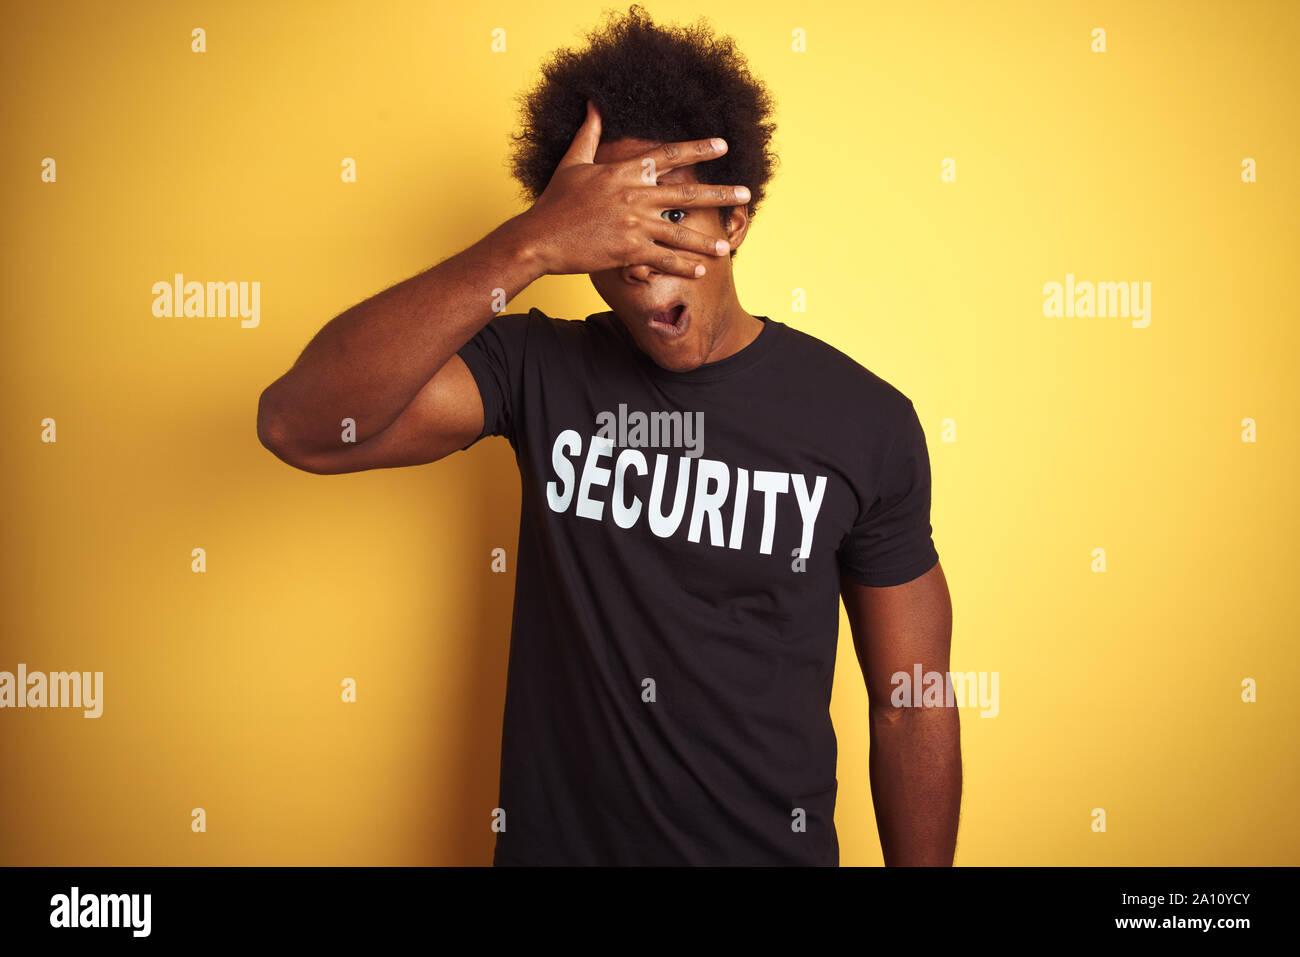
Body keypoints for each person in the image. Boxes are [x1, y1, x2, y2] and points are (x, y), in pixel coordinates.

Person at [256, 4, 958, 866]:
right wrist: (525, 246)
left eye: (671, 218)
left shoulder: (863, 419)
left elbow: (912, 700)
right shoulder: (534, 371)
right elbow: (300, 424)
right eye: (611, 229)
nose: (638, 258)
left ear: (731, 224)